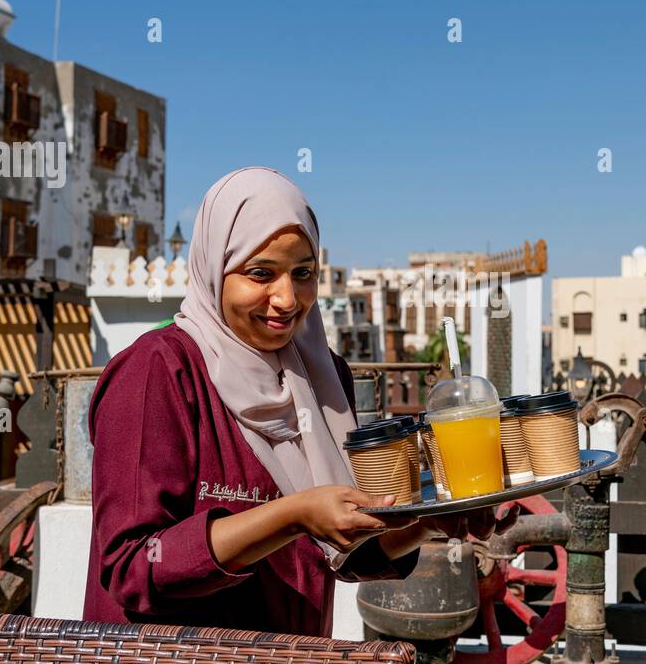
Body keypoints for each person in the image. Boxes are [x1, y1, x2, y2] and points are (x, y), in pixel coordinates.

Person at [83, 167, 516, 635]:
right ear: (214, 267)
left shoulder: (321, 376)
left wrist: (428, 524)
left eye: (303, 273)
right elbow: (132, 565)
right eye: (260, 273)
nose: (287, 299)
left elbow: (338, 557)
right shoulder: (158, 372)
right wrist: (292, 516)